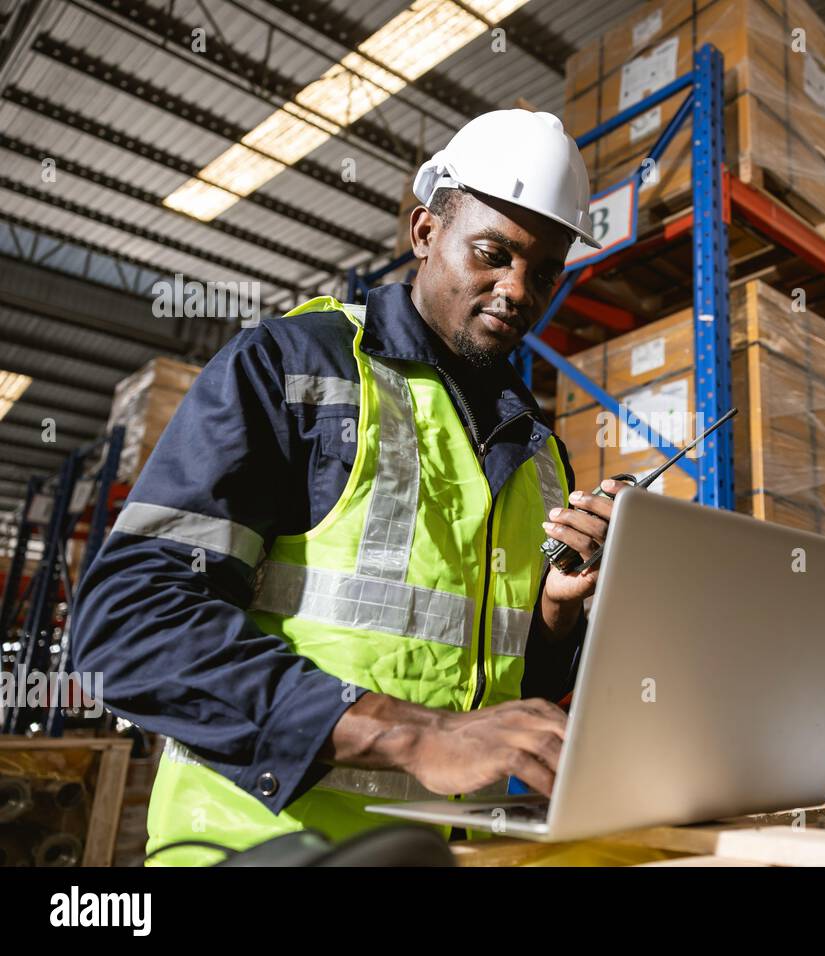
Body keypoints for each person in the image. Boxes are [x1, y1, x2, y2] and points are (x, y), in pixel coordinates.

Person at [71, 110, 625, 865]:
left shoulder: (538, 452)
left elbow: (491, 686)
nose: (517, 290)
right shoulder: (295, 370)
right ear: (425, 232)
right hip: (257, 845)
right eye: (493, 253)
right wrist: (408, 731)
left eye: (546, 271)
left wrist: (555, 618)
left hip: (455, 853)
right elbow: (129, 626)